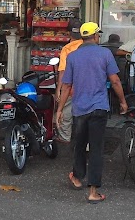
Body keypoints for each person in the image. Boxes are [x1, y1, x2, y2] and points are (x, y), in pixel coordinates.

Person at [55, 22, 128, 204]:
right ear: (95, 36)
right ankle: (93, 192)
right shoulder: (105, 53)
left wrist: (59, 109)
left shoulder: (72, 56)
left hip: (80, 108)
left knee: (79, 144)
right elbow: (115, 81)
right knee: (96, 148)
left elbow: (66, 86)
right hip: (99, 107)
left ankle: (77, 178)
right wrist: (123, 101)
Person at [55, 19, 84, 143]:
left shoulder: (67, 49)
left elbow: (63, 71)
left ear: (68, 33)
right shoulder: (87, 46)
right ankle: (85, 141)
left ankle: (65, 136)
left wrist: (59, 89)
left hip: (71, 87)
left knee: (65, 111)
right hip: (87, 86)